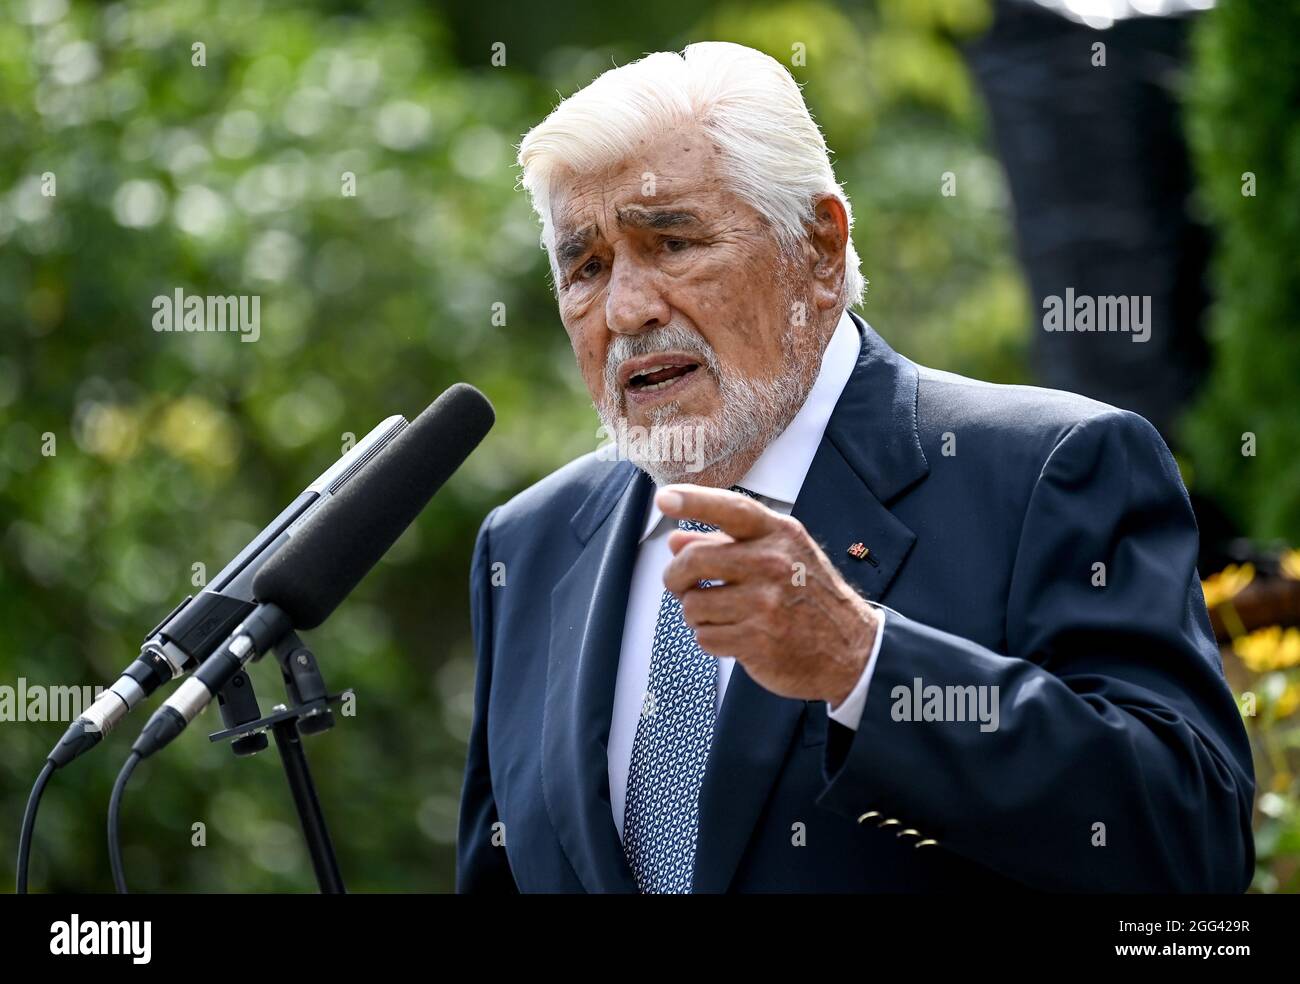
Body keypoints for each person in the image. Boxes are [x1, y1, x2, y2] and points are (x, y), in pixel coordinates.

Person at [456, 42, 1254, 893]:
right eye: (586, 267)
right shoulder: (529, 542)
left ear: (821, 251)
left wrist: (862, 663)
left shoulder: (1051, 469)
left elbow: (1191, 842)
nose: (626, 308)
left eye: (673, 242)